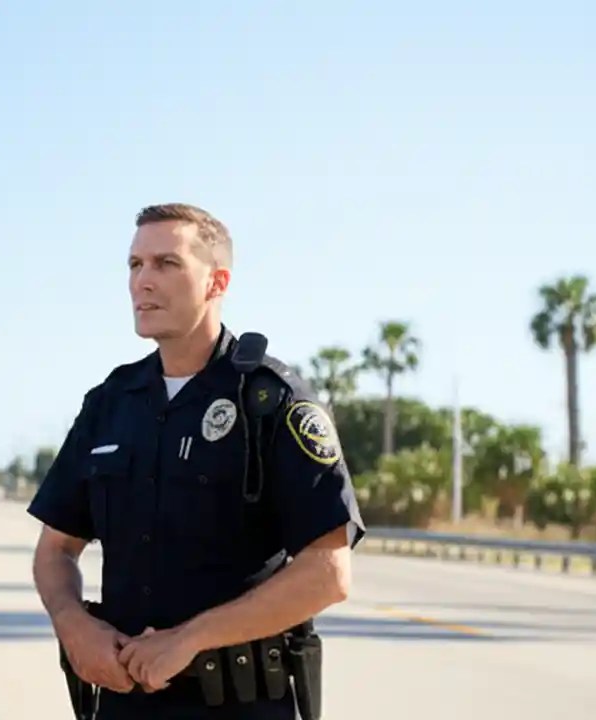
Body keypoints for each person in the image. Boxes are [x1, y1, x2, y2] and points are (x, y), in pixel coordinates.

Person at [28, 202, 366, 719]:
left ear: (216, 282)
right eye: (135, 264)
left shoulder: (268, 401)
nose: (143, 281)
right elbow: (55, 550)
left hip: (239, 706)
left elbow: (328, 572)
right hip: (125, 705)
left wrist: (189, 639)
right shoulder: (110, 403)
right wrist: (74, 626)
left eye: (167, 263)